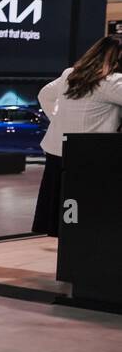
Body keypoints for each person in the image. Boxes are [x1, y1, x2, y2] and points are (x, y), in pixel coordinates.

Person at [33, 35, 122, 237]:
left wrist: (56, 118)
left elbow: (44, 94)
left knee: (62, 215)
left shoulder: (70, 74)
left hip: (58, 150)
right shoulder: (112, 82)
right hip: (91, 155)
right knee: (88, 216)